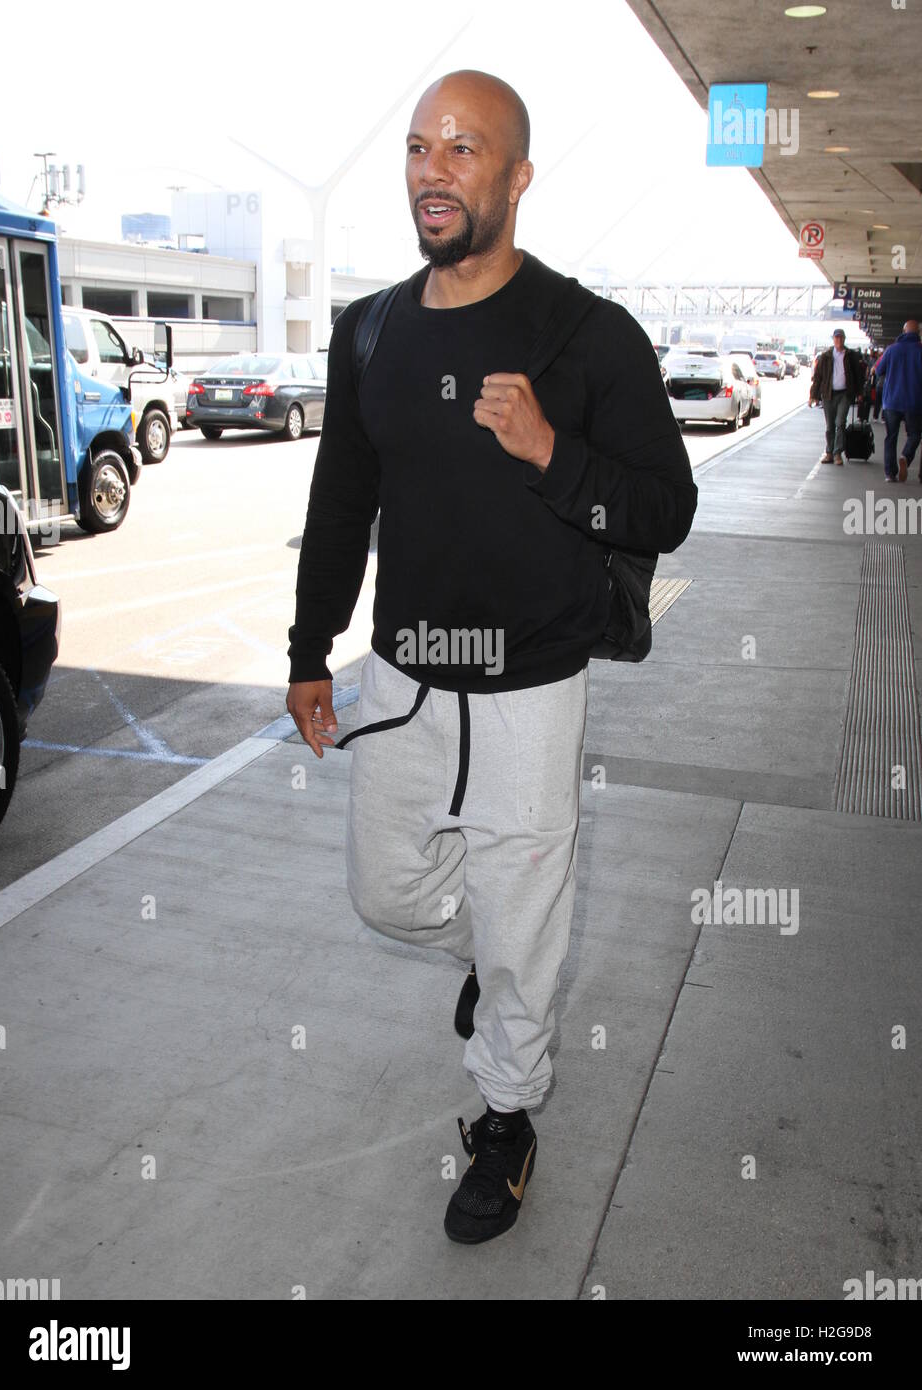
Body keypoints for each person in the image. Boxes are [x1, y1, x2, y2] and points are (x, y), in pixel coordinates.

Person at [285, 69, 697, 1245]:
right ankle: (504, 958)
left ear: (516, 178)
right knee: (391, 894)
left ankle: (506, 1115)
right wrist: (311, 651)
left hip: (531, 692)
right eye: (419, 146)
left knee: (525, 923)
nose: (432, 170)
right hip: (403, 678)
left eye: (463, 150)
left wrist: (552, 453)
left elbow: (664, 509)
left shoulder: (585, 334)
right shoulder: (370, 330)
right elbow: (339, 503)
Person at [872, 319, 922, 483]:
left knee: (891, 437)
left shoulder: (891, 350)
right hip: (914, 402)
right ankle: (905, 457)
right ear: (918, 333)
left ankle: (890, 473)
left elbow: (878, 370)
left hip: (892, 401)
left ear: (903, 331)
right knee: (914, 435)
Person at [810, 328, 865, 465]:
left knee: (840, 423)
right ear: (833, 339)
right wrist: (813, 395)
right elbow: (818, 377)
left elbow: (858, 376)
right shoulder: (826, 357)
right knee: (830, 426)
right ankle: (829, 452)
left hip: (845, 394)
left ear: (844, 339)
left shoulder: (851, 356)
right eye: (836, 338)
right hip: (828, 394)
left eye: (841, 338)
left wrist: (859, 393)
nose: (839, 340)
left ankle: (837, 453)